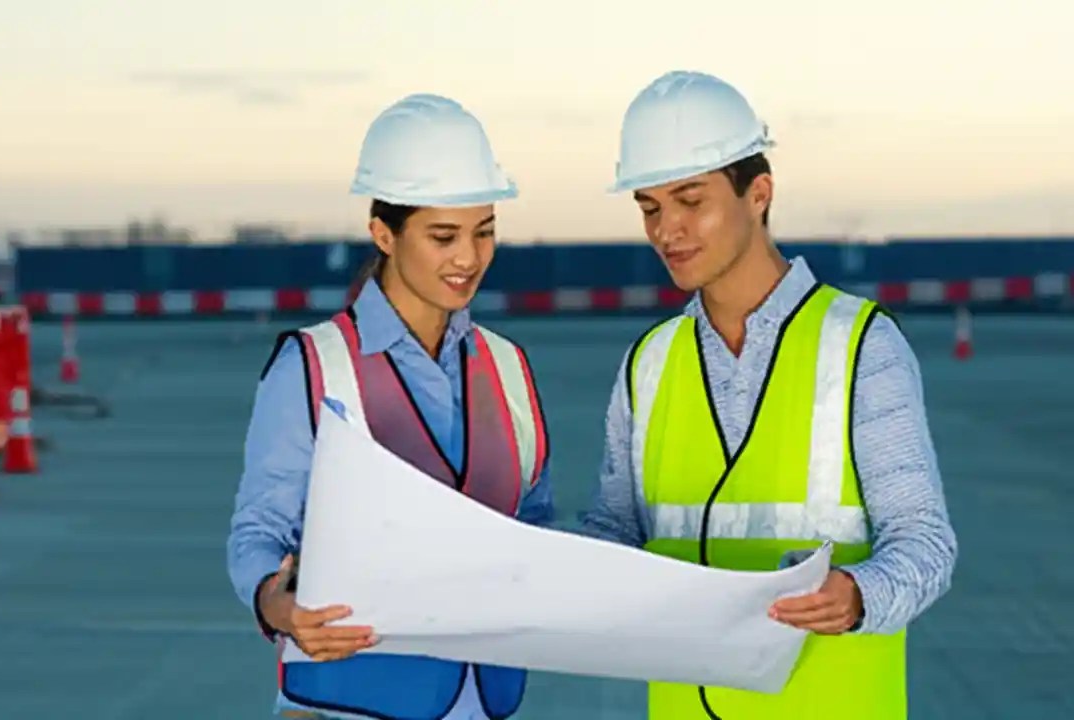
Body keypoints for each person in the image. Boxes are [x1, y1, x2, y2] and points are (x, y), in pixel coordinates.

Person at [578, 70, 958, 719]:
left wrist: (859, 595)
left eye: (689, 199)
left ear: (759, 193)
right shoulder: (649, 361)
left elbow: (925, 544)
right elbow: (615, 533)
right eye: (649, 207)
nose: (667, 229)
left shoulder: (861, 346)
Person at [227, 93, 554, 720]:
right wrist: (277, 605)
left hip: (482, 700)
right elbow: (258, 531)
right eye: (443, 236)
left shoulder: (510, 368)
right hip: (347, 703)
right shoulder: (313, 366)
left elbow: (533, 524)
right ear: (383, 233)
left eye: (484, 232)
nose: (469, 257)